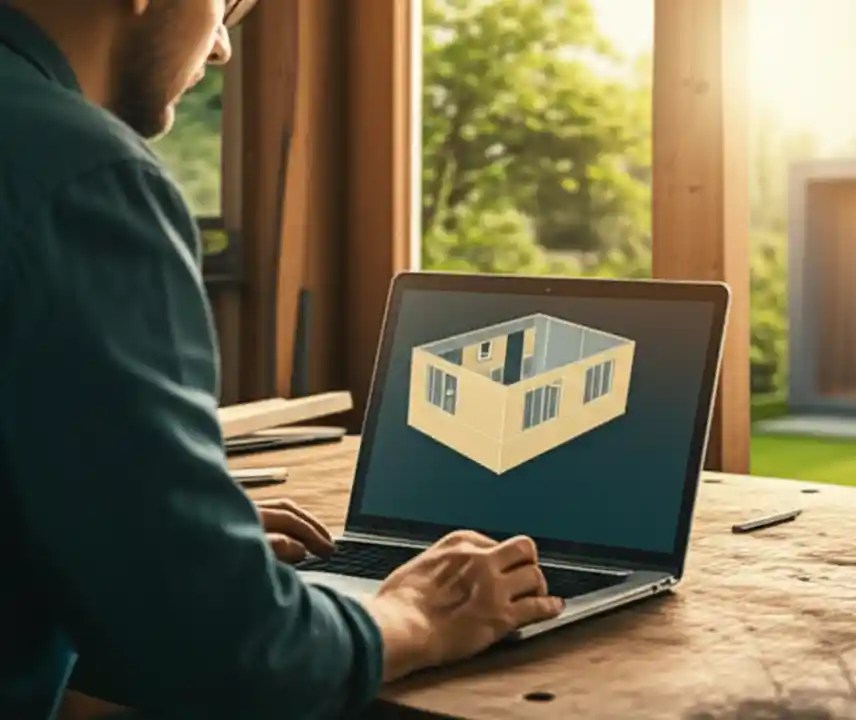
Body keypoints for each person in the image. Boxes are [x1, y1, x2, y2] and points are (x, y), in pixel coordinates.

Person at [0, 1, 565, 718]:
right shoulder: (81, 174)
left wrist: (171, 534)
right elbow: (230, 652)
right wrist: (417, 616)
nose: (221, 51)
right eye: (226, 6)